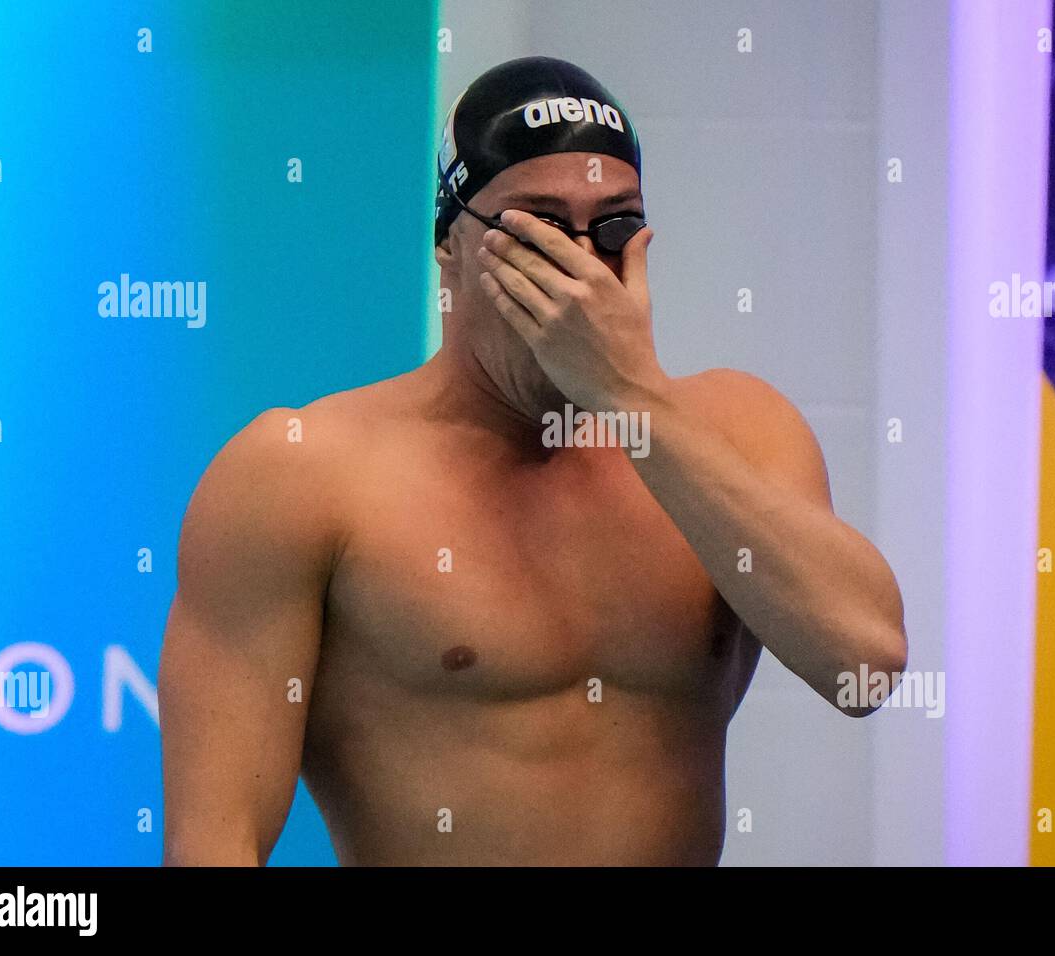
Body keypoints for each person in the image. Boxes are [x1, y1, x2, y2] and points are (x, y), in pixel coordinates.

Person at [159, 56, 906, 866]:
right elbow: (214, 842)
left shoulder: (738, 430)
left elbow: (863, 667)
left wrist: (632, 402)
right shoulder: (304, 474)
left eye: (614, 226)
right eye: (538, 231)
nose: (581, 267)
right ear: (450, 245)